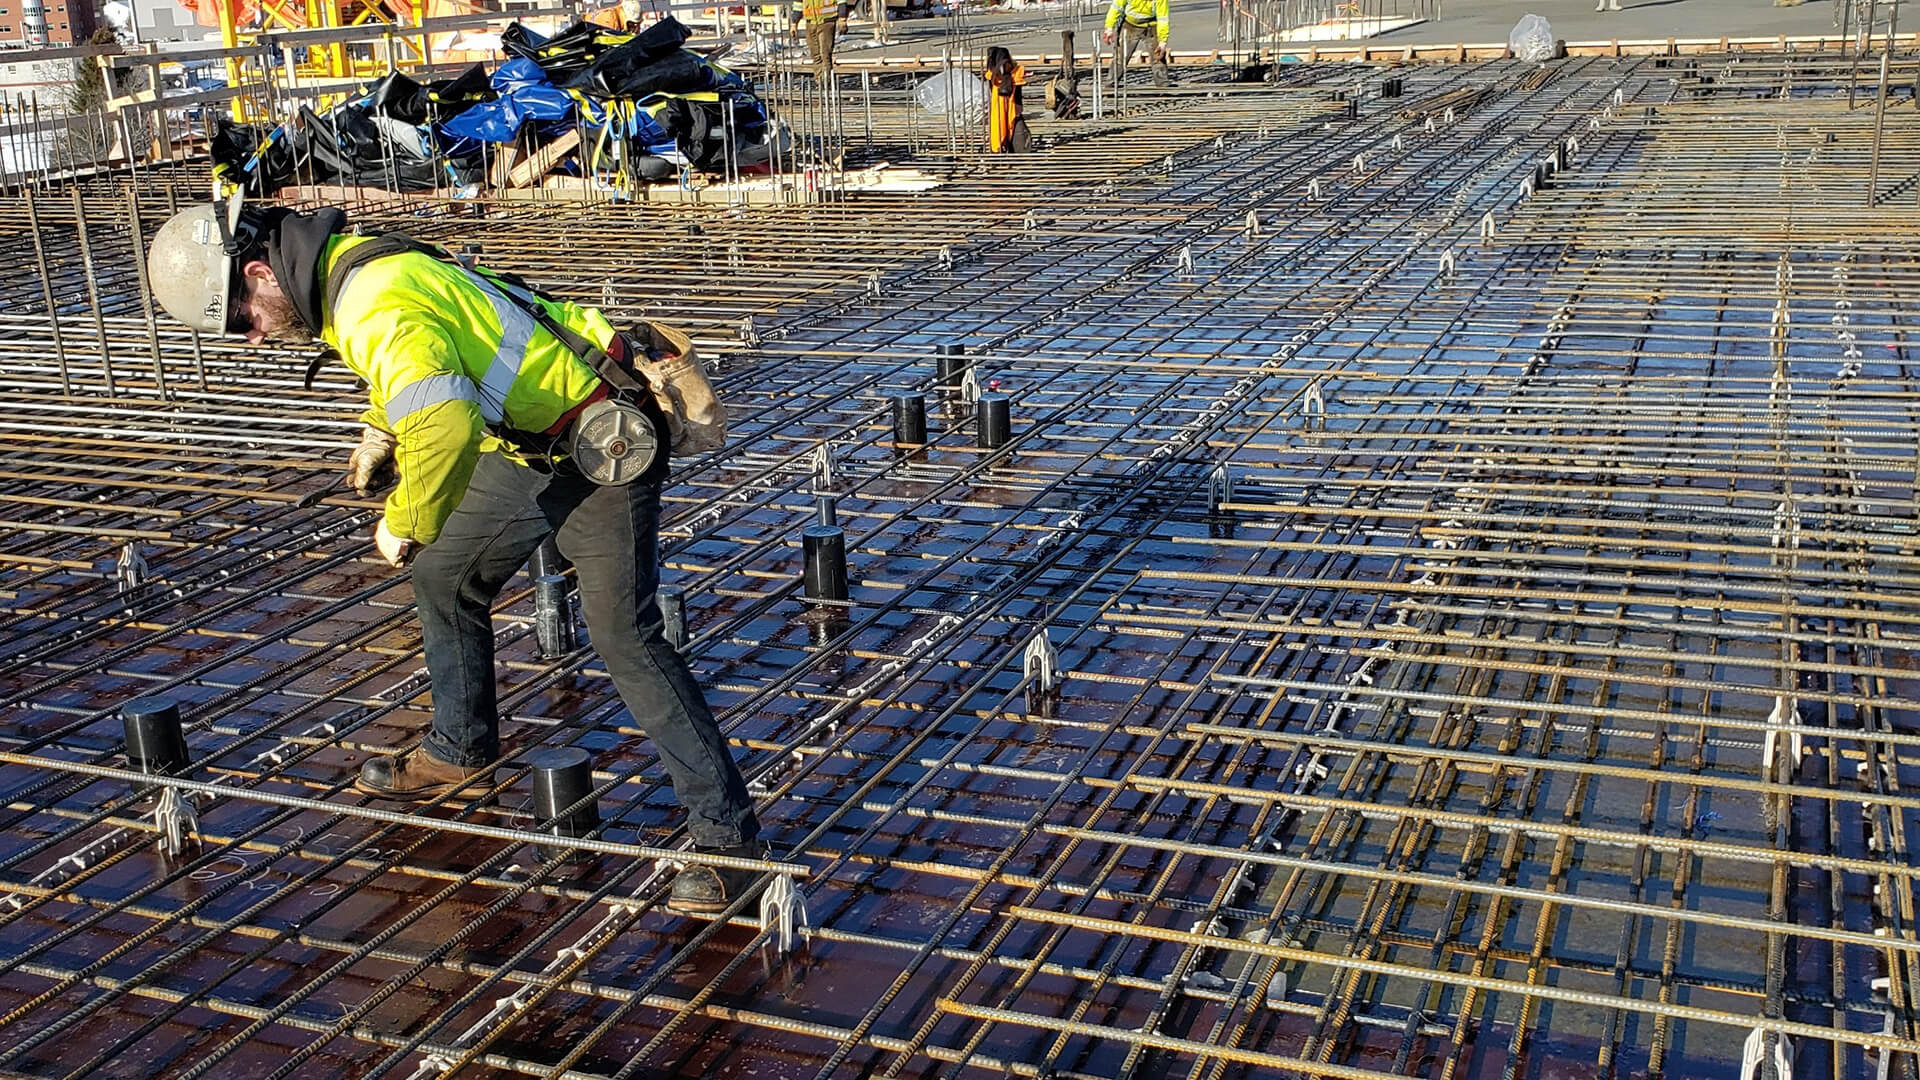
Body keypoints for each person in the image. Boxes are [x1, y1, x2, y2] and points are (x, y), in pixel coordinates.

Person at [141, 198, 764, 916]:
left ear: (259, 273)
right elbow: (431, 359)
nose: (251, 335)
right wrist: (382, 429)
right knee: (446, 577)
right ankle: (458, 752)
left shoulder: (369, 298)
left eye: (241, 317)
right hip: (532, 445)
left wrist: (404, 521)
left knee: (625, 638)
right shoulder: (350, 271)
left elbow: (443, 425)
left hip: (602, 442)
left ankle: (730, 842)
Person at [1102, 0, 1170, 89]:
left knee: (1158, 56)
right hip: (1130, 26)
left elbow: (1163, 19)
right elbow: (1116, 8)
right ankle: (1111, 85)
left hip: (1151, 27)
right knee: (1121, 57)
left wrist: (1162, 41)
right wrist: (1109, 28)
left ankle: (1163, 86)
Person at [981, 46, 1030, 153]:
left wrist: (1018, 106)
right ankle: (1001, 147)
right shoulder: (994, 74)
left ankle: (1007, 147)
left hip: (1010, 106)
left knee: (1008, 128)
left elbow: (1017, 91)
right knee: (1000, 128)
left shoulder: (1014, 72)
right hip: (999, 107)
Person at [802, 0, 845, 82]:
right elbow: (798, 4)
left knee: (825, 54)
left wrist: (842, 19)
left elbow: (841, 1)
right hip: (810, 23)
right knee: (815, 55)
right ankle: (819, 80)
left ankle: (826, 81)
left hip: (827, 22)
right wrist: (794, 23)